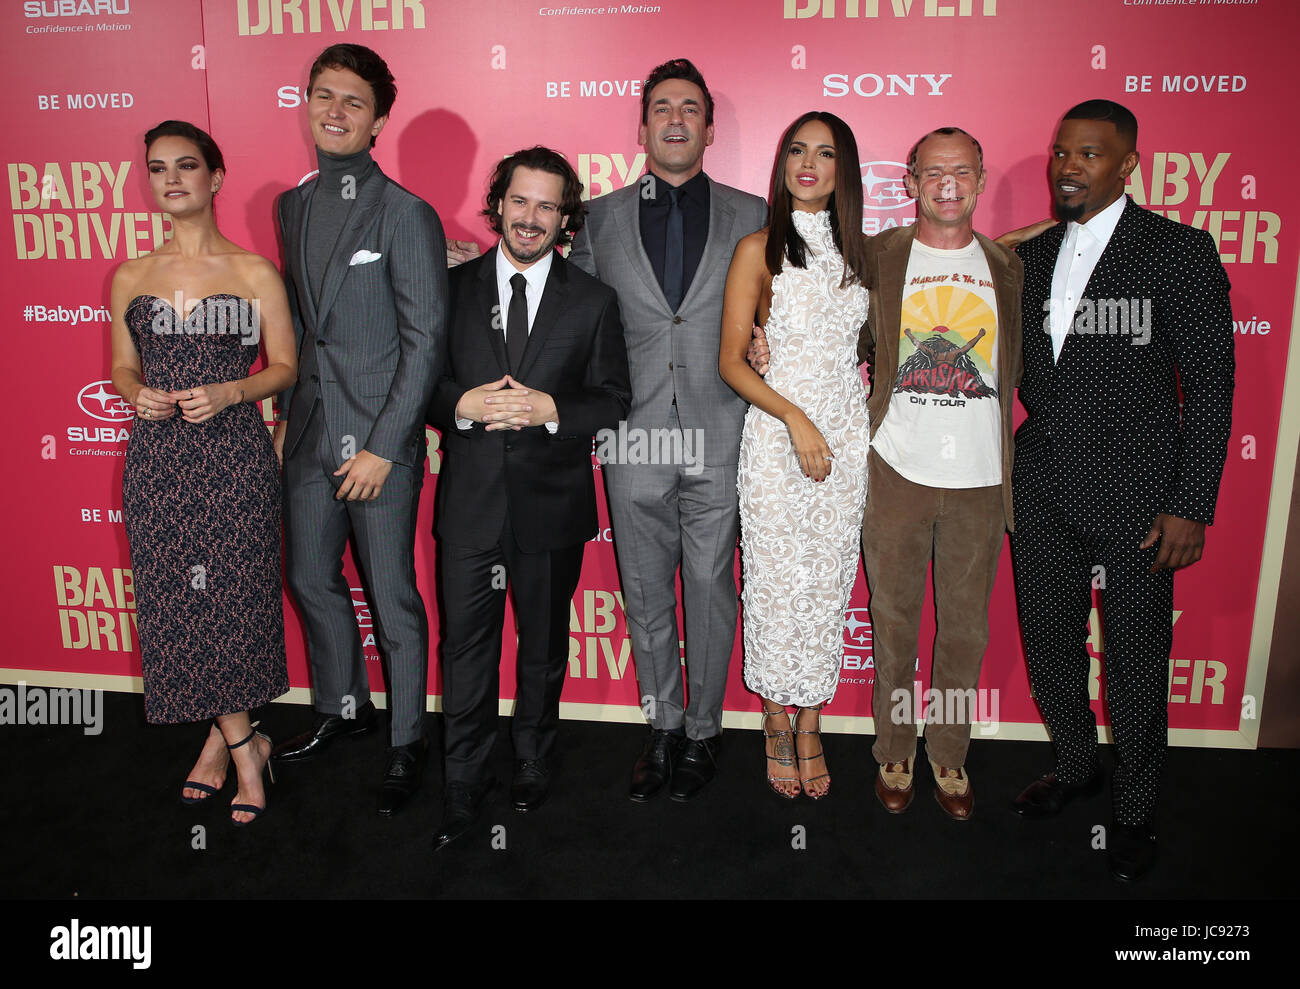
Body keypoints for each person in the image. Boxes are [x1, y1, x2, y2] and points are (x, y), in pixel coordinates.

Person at [750, 128, 1026, 816]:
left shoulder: (1009, 265)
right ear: (909, 180)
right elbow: (830, 320)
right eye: (934, 171)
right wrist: (761, 335)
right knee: (894, 620)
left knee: (965, 629)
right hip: (894, 467)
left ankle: (952, 755)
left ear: (982, 177)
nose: (948, 183)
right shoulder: (877, 254)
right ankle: (896, 748)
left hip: (983, 479)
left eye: (962, 170)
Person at [1010, 100, 1234, 879]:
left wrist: (1191, 502)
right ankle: (1076, 765)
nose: (1069, 166)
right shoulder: (1030, 258)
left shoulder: (1177, 250)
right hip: (1038, 486)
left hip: (1140, 496)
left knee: (1137, 663)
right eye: (1061, 151)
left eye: (1090, 155)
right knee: (1049, 648)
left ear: (1127, 164)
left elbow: (1208, 383)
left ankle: (1135, 809)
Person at [568, 58, 768, 802]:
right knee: (646, 587)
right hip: (633, 435)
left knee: (711, 586)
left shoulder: (754, 215)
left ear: (710, 128)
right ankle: (663, 726)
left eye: (690, 107)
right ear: (643, 125)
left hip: (723, 430)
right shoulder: (600, 217)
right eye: (662, 107)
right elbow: (573, 315)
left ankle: (706, 731)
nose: (676, 119)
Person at [428, 147, 631, 849]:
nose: (531, 218)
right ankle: (462, 776)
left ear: (565, 217)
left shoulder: (595, 300)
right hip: (470, 504)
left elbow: (613, 398)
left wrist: (550, 407)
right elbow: (422, 385)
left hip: (552, 505)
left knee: (543, 647)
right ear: (498, 204)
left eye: (547, 206)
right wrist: (462, 404)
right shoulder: (450, 289)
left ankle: (534, 758)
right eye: (520, 201)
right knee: (465, 648)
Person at [271, 44, 449, 820]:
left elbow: (427, 341)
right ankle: (347, 707)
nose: (334, 111)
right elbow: (305, 331)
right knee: (309, 576)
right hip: (309, 432)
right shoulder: (293, 204)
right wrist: (283, 419)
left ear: (379, 120)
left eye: (352, 101)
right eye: (322, 96)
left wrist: (384, 445)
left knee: (392, 595)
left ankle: (409, 739)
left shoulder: (406, 213)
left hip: (380, 440)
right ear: (306, 103)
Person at [110, 120, 297, 826]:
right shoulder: (131, 275)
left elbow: (286, 366)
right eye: (158, 168)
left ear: (216, 178)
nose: (171, 179)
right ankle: (242, 743)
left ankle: (229, 746)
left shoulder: (252, 272)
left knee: (234, 600)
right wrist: (135, 392)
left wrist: (231, 391)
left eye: (187, 165)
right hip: (157, 460)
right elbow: (122, 365)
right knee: (177, 607)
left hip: (235, 455)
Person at [718, 112, 870, 799]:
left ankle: (813, 720)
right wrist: (794, 415)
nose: (809, 163)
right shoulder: (758, 249)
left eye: (826, 153)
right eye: (797, 150)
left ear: (845, 169)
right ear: (781, 163)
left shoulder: (866, 254)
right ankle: (776, 719)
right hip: (779, 440)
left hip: (846, 444)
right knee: (777, 581)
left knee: (829, 583)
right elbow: (730, 362)